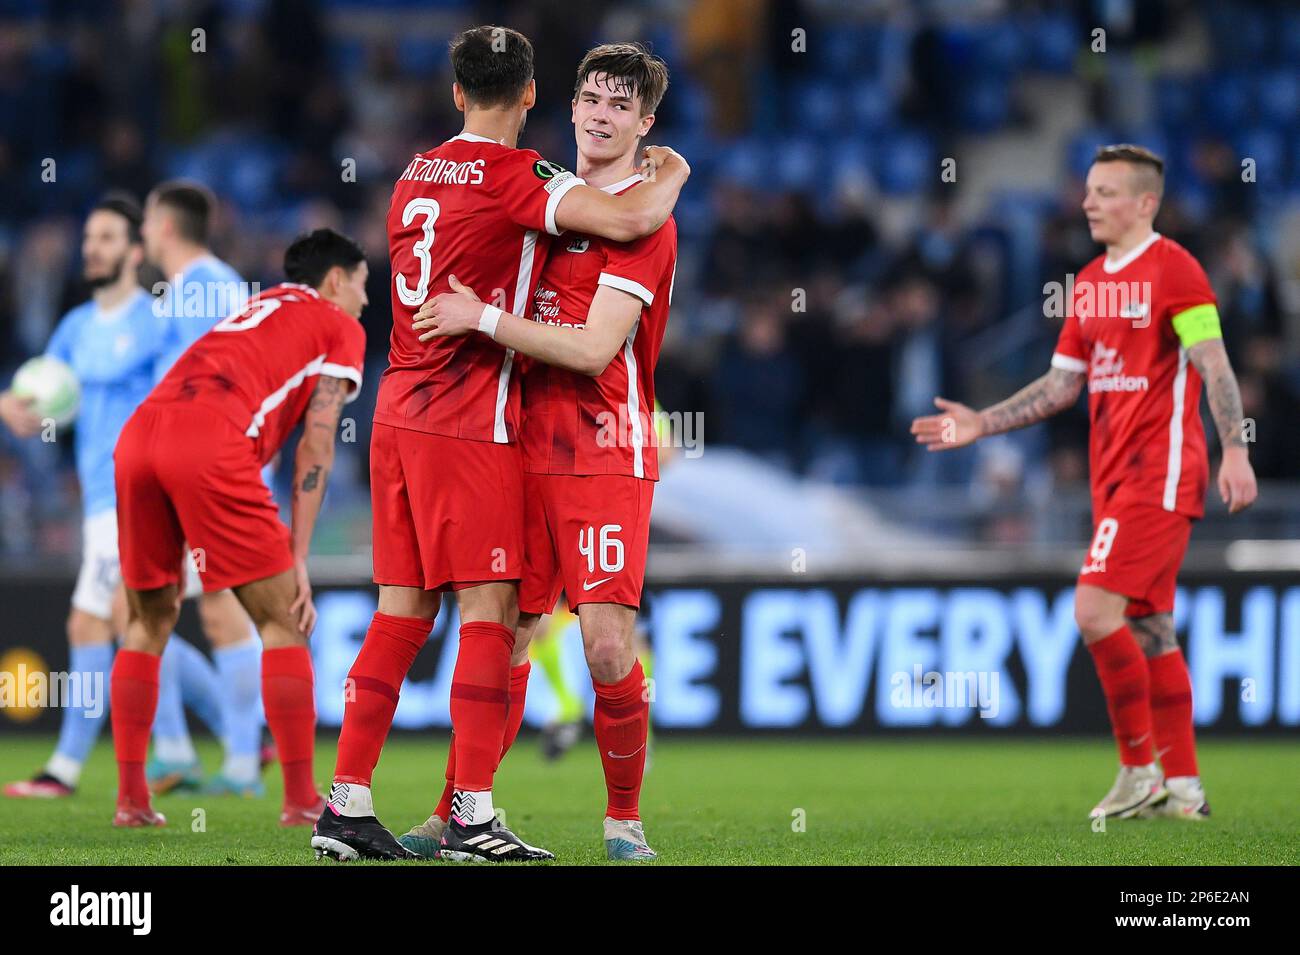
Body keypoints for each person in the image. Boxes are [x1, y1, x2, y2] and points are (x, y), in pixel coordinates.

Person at [312, 24, 689, 863]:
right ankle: (460, 814)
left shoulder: (633, 224)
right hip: (506, 433)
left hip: (597, 446)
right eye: (588, 97)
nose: (597, 114)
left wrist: (482, 316)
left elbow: (595, 350)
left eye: (618, 105)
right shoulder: (538, 190)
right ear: (544, 98)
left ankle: (622, 822)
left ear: (643, 124)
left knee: (601, 643)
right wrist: (669, 170)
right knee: (506, 625)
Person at [911, 144, 1258, 821]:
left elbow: (1214, 366)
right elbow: (1062, 385)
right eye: (1089, 191)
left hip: (1159, 473)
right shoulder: (1092, 282)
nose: (1089, 202)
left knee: (1094, 611)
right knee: (1153, 626)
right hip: (1113, 477)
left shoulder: (1177, 271)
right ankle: (1183, 790)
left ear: (1145, 203)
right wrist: (984, 421)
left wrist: (1236, 451)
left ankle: (1137, 770)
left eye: (1104, 192)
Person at [109, 228, 367, 827]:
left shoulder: (261, 305)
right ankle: (302, 801)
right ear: (335, 281)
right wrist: (297, 554)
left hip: (140, 435)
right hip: (209, 440)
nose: (365, 300)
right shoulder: (339, 326)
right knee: (282, 619)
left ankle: (131, 801)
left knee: (148, 621)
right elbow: (318, 446)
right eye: (362, 285)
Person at [0, 194, 198, 799]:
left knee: (108, 619)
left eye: (107, 237)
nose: (92, 247)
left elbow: (177, 401)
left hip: (140, 494)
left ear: (135, 251)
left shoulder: (158, 321)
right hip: (97, 500)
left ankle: (82, 767)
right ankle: (188, 750)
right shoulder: (77, 326)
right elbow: (37, 388)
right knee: (111, 622)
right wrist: (13, 405)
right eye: (88, 237)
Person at [141, 180, 268, 797]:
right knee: (158, 609)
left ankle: (242, 760)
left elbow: (209, 385)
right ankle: (226, 752)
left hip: (207, 466)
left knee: (217, 613)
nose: (142, 235)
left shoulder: (199, 289)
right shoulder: (212, 285)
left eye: (144, 223)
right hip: (209, 463)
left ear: (164, 226)